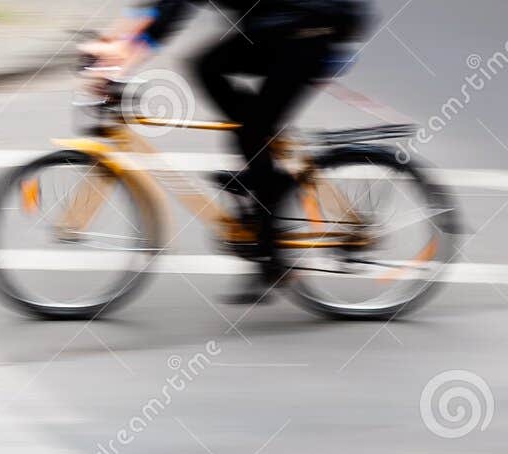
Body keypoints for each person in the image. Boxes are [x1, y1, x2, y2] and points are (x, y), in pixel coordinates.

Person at [88, 0, 368, 304]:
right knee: (211, 73)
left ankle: (270, 234)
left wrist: (121, 59)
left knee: (252, 129)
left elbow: (171, 12)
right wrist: (113, 42)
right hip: (281, 27)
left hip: (309, 31)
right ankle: (263, 169)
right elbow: (158, 7)